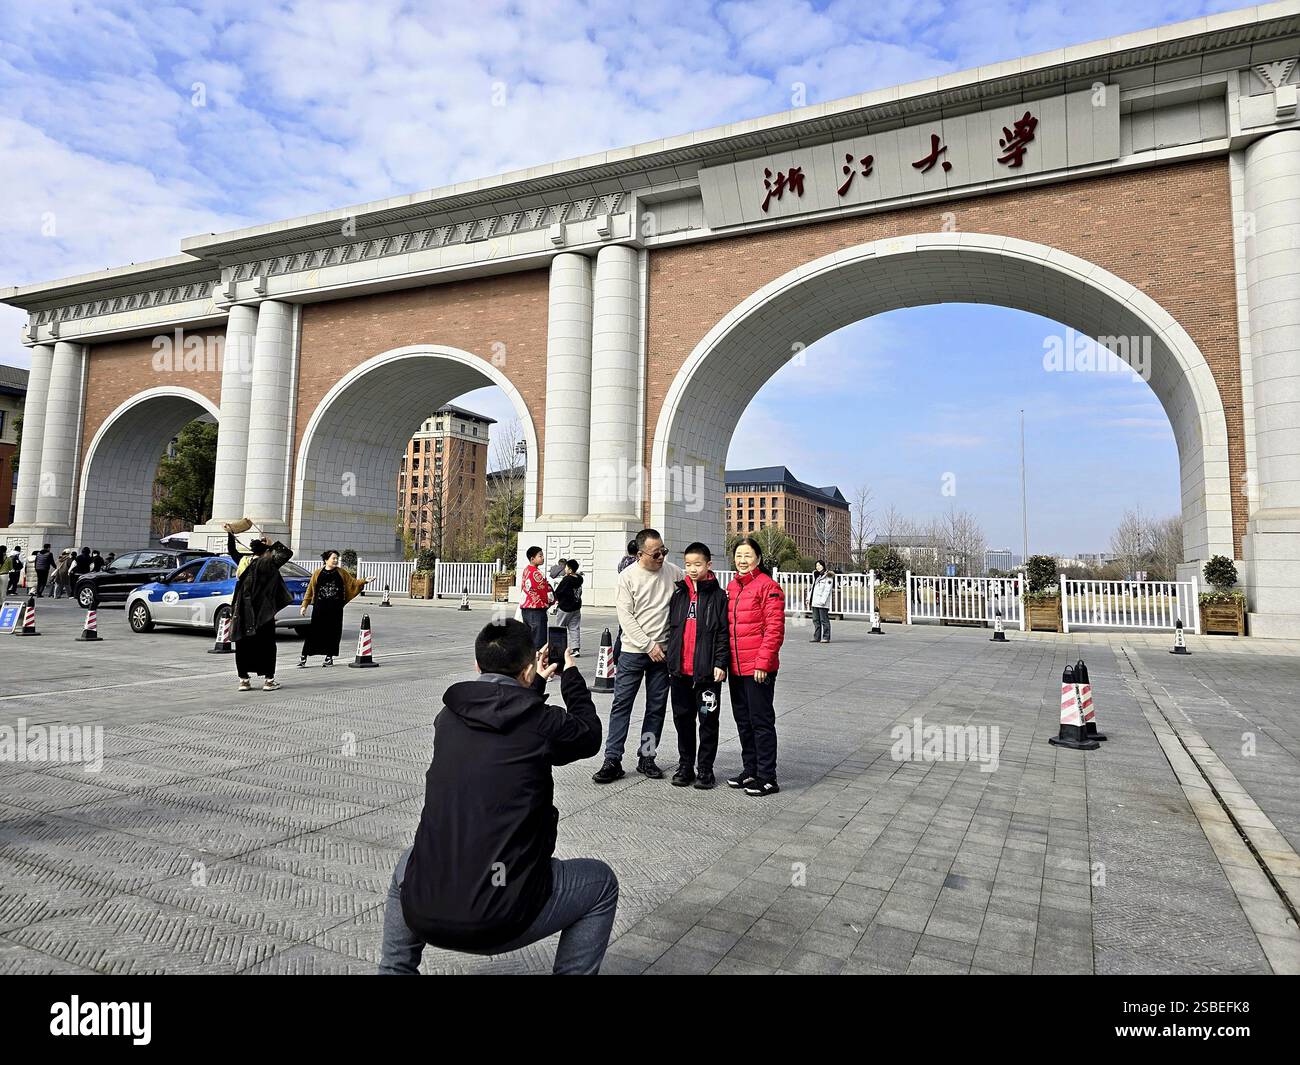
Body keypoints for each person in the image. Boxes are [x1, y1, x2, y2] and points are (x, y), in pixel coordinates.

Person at [379, 619, 616, 975]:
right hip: (504, 915)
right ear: (526, 669)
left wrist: (529, 686)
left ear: (477, 666)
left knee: (409, 861)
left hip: (423, 907)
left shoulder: (448, 717)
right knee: (601, 883)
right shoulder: (542, 723)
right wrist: (569, 675)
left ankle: (393, 970)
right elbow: (588, 735)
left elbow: (505, 720)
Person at [592, 528, 682, 784]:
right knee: (622, 705)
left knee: (656, 707)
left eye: (663, 552)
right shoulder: (627, 577)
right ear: (641, 554)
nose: (661, 557)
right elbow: (626, 617)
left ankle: (647, 757)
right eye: (656, 554)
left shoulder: (674, 572)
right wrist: (648, 645)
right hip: (634, 651)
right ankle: (612, 759)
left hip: (662, 653)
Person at [664, 542, 729, 789]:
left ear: (708, 565)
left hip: (707, 673)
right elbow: (673, 629)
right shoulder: (679, 594)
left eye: (698, 564)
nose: (692, 569)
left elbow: (723, 632)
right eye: (688, 564)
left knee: (708, 721)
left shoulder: (718, 596)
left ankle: (705, 769)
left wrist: (720, 663)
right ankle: (685, 766)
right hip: (680, 672)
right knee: (683, 720)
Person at [725, 536, 786, 797]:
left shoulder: (768, 587)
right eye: (739, 555)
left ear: (758, 559)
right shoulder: (732, 587)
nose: (742, 560)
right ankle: (750, 769)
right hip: (736, 668)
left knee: (761, 721)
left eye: (748, 555)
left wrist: (762, 663)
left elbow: (774, 629)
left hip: (758, 668)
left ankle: (767, 776)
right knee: (743, 721)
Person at [229, 538, 293, 692]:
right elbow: (286, 553)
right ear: (266, 552)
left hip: (243, 613)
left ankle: (244, 681)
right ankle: (269, 681)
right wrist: (271, 544)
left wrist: (230, 535)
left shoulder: (245, 563)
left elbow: (233, 551)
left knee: (243, 646)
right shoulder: (268, 564)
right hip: (264, 614)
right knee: (267, 646)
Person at [298, 550, 369, 667]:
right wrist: (304, 606)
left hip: (335, 609)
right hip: (319, 608)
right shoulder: (317, 573)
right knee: (313, 632)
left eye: (337, 558)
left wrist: (364, 580)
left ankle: (329, 657)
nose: (336, 561)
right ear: (326, 560)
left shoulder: (342, 573)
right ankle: (304, 657)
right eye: (333, 558)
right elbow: (310, 590)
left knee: (333, 633)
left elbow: (353, 583)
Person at [519, 545, 553, 650]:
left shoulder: (526, 570)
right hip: (537, 608)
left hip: (526, 608)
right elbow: (543, 591)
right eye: (540, 556)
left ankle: (528, 662)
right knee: (539, 641)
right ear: (532, 559)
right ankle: (538, 663)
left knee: (529, 639)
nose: (543, 558)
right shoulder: (536, 573)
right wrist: (550, 602)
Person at [611, 539, 638, 665]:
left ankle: (615, 659)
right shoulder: (636, 564)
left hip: (623, 598)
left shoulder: (622, 562)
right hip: (633, 599)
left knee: (621, 632)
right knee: (627, 631)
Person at [553, 558, 583, 657]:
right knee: (574, 628)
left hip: (565, 608)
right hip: (576, 608)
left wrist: (557, 601)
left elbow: (558, 591)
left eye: (566, 567)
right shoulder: (579, 578)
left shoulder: (567, 579)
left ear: (570, 570)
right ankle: (575, 649)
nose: (565, 569)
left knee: (560, 628)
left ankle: (558, 649)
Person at [808, 560, 834, 644]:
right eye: (816, 566)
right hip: (815, 602)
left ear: (823, 566)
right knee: (816, 620)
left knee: (824, 620)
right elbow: (812, 589)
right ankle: (817, 637)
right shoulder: (817, 576)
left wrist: (823, 601)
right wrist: (808, 598)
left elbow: (827, 590)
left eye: (819, 565)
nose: (818, 567)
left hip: (822, 603)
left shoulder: (828, 576)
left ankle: (826, 637)